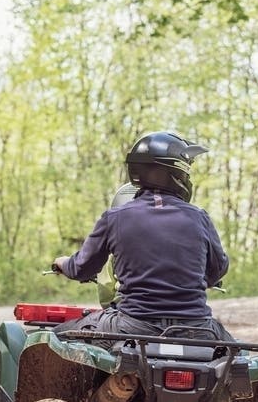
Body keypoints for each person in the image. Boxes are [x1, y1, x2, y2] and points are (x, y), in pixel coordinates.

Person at [51, 130, 231, 343]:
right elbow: (217, 270)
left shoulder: (115, 217)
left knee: (53, 340)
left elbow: (82, 269)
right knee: (239, 358)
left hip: (133, 327)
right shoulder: (199, 217)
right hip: (196, 329)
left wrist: (62, 263)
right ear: (177, 174)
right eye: (187, 173)